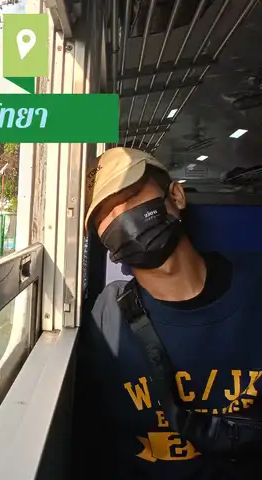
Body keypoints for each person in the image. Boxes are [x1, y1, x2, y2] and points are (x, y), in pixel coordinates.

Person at [77, 147, 262, 479]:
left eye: (131, 195)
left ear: (175, 196)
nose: (122, 215)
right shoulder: (105, 319)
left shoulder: (255, 288)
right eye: (105, 213)